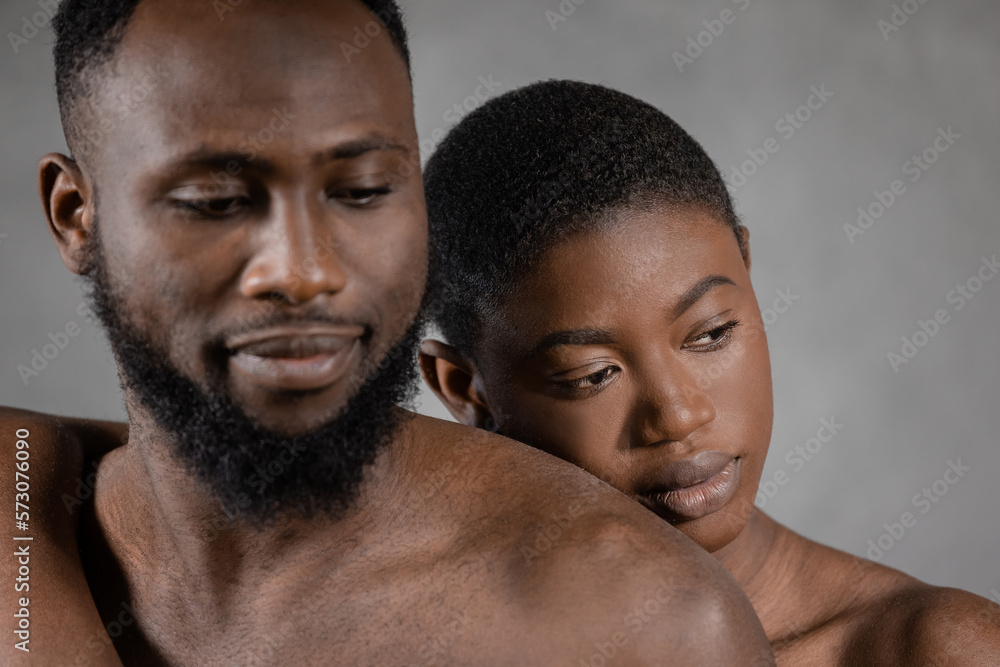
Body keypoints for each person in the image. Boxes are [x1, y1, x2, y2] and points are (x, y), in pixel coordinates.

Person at [0, 2, 776, 665]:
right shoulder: (27, 506)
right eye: (215, 200)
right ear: (75, 216)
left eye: (365, 189)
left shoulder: (648, 625)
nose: (305, 270)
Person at [418, 79, 1000, 665]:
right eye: (593, 375)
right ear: (468, 392)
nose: (679, 416)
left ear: (746, 268)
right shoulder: (421, 644)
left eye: (712, 333)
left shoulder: (936, 650)